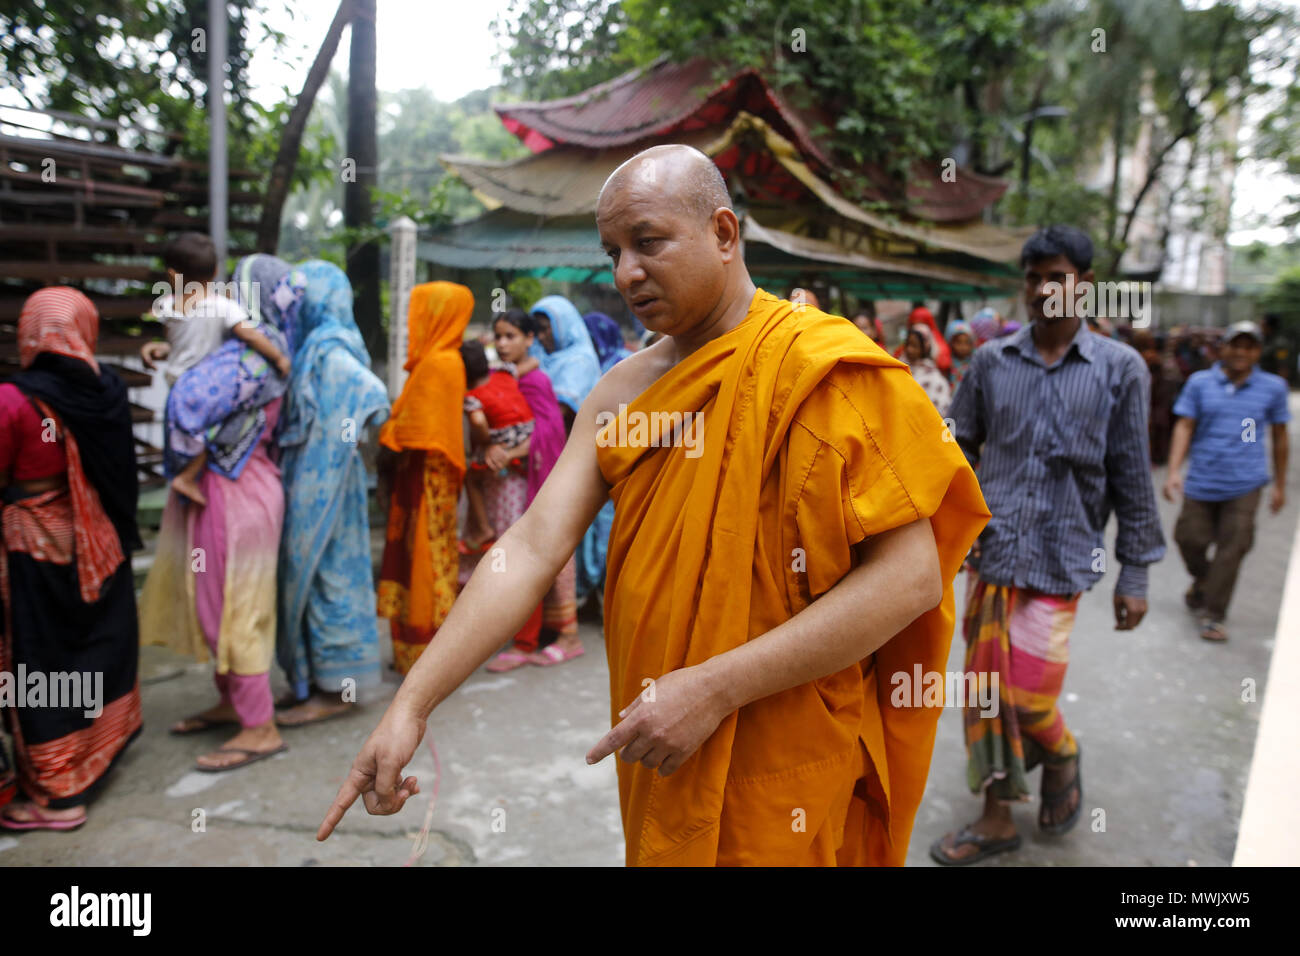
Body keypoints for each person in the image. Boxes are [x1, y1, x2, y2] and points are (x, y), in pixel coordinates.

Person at [318, 143, 989, 866]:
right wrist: (411, 705)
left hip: (782, 752)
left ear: (724, 234)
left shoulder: (819, 368)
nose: (625, 272)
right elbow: (532, 547)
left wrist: (716, 687)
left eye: (648, 242)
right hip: (659, 746)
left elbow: (911, 576)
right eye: (612, 251)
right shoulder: (623, 395)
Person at [931, 224, 1166, 865]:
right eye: (1032, 278)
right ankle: (997, 818)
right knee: (986, 695)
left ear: (1084, 285)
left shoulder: (1121, 369)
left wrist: (1135, 573)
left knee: (1029, 698)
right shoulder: (990, 362)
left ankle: (1060, 753)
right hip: (994, 555)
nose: (1041, 291)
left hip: (1063, 560)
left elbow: (1130, 472)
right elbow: (956, 447)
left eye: (1055, 278)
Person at [0, 288, 143, 829]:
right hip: (101, 542)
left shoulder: (15, 400)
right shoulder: (105, 389)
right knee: (94, 646)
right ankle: (100, 749)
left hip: (35, 545)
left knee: (41, 659)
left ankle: (58, 793)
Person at [276, 261, 391, 723]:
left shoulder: (332, 352)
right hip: (309, 483)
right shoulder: (313, 349)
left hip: (331, 491)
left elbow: (372, 394)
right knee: (313, 579)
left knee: (330, 579)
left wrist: (343, 440)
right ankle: (310, 682)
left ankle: (335, 693)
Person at [141, 233, 292, 506]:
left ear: (172, 274)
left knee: (181, 432)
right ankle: (187, 478)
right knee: (212, 433)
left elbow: (176, 344)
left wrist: (155, 349)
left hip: (177, 384)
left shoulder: (165, 304)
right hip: (204, 386)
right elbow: (250, 336)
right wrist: (278, 357)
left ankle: (178, 475)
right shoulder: (222, 306)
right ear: (215, 271)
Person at [1163, 320, 1289, 642]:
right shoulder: (1200, 382)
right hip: (1203, 478)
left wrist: (1279, 485)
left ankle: (1213, 614)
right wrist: (1174, 471)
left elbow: (1279, 436)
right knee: (1188, 538)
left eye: (1249, 346)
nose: (1241, 352)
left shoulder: (1272, 387)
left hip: (1246, 483)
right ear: (1224, 348)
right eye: (1236, 344)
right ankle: (1204, 580)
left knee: (1232, 549)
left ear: (1258, 352)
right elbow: (1185, 426)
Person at [376, 283, 472, 677]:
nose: (414, 323)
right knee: (418, 558)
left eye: (421, 313)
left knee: (424, 561)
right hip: (421, 479)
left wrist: (388, 436)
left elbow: (413, 432)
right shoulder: (434, 361)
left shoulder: (441, 364)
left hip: (427, 480)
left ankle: (426, 656)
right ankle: (417, 653)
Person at [484, 308, 584, 668]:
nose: (502, 343)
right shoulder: (503, 378)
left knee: (543, 557)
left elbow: (550, 433)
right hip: (509, 482)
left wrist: (508, 450)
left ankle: (562, 636)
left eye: (511, 336)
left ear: (530, 339)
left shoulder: (535, 382)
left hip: (535, 481)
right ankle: (525, 635)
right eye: (498, 336)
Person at [459, 340, 535, 554]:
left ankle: (484, 529)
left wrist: (486, 442)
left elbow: (478, 422)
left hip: (504, 438)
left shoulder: (472, 397)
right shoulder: (505, 373)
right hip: (528, 431)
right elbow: (531, 364)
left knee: (471, 479)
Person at [529, 295, 601, 433]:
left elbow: (558, 412)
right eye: (537, 331)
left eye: (545, 329)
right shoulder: (539, 356)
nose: (541, 336)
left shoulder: (581, 360)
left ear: (563, 326)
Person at [902, 324, 952, 415]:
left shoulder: (933, 377)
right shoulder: (899, 369)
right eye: (908, 344)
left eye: (914, 346)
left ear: (924, 348)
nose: (909, 350)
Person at [946, 319, 976, 388]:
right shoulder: (947, 363)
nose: (963, 347)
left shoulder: (974, 363)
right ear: (950, 343)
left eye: (967, 343)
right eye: (958, 342)